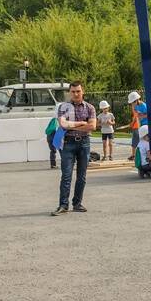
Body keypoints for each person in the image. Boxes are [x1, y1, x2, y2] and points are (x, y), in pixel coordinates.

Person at [53, 82, 96, 215]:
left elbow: (92, 126)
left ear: (83, 91)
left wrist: (71, 126)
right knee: (66, 175)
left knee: (82, 176)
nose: (76, 94)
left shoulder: (90, 108)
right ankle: (63, 205)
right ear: (69, 92)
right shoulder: (63, 107)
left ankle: (77, 203)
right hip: (68, 143)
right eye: (73, 91)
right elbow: (62, 123)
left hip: (84, 143)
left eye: (78, 91)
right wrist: (82, 123)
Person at [127, 91, 146, 161]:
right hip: (139, 125)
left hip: (145, 125)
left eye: (133, 102)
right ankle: (135, 155)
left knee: (143, 140)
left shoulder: (143, 106)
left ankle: (143, 155)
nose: (132, 104)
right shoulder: (135, 106)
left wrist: (141, 116)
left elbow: (148, 114)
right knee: (137, 140)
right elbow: (136, 116)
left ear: (137, 100)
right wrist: (133, 122)